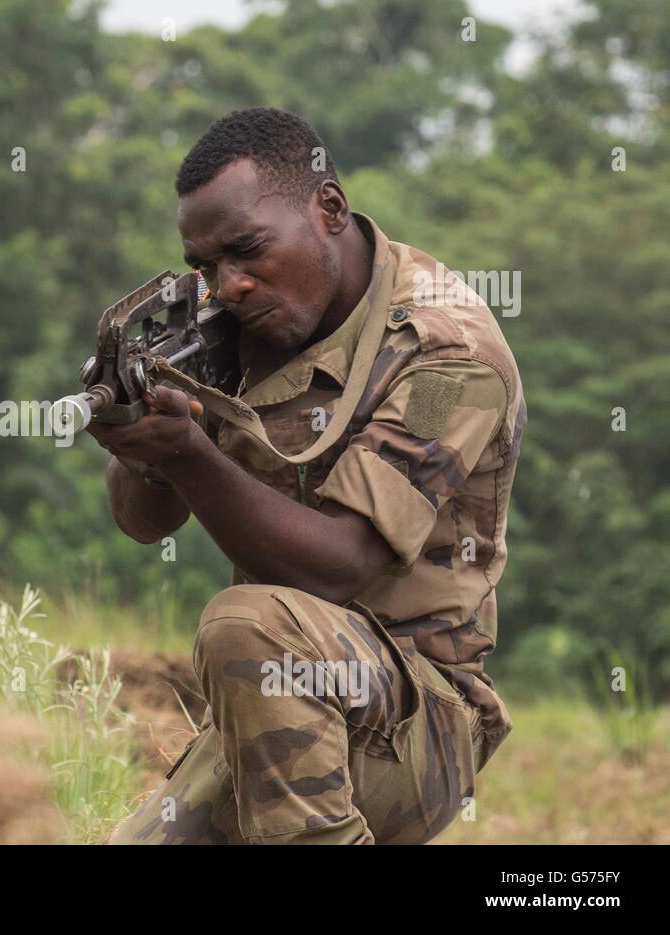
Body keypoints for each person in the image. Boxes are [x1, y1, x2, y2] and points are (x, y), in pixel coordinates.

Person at [92, 107, 526, 844]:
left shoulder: (448, 358)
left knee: (244, 621)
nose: (228, 285)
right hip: (276, 694)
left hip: (419, 718)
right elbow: (143, 523)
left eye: (248, 250)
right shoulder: (232, 326)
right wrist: (146, 447)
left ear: (328, 209)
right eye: (205, 266)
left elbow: (341, 562)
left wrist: (191, 452)